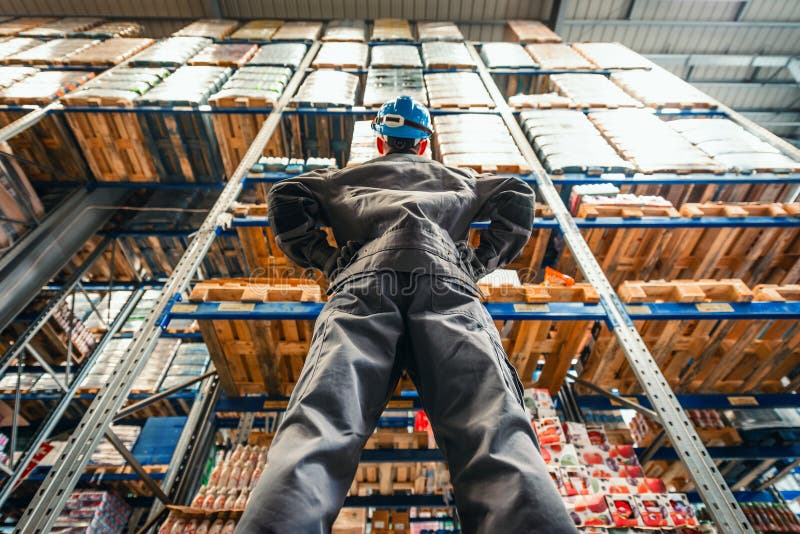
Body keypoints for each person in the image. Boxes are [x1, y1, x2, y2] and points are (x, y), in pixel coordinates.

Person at [237, 96, 578, 533]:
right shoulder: (457, 178)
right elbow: (516, 193)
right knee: (491, 426)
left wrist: (326, 259)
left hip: (362, 287)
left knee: (321, 423)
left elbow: (286, 194)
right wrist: (478, 263)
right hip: (447, 287)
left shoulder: (345, 178)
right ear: (423, 146)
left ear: (381, 142)